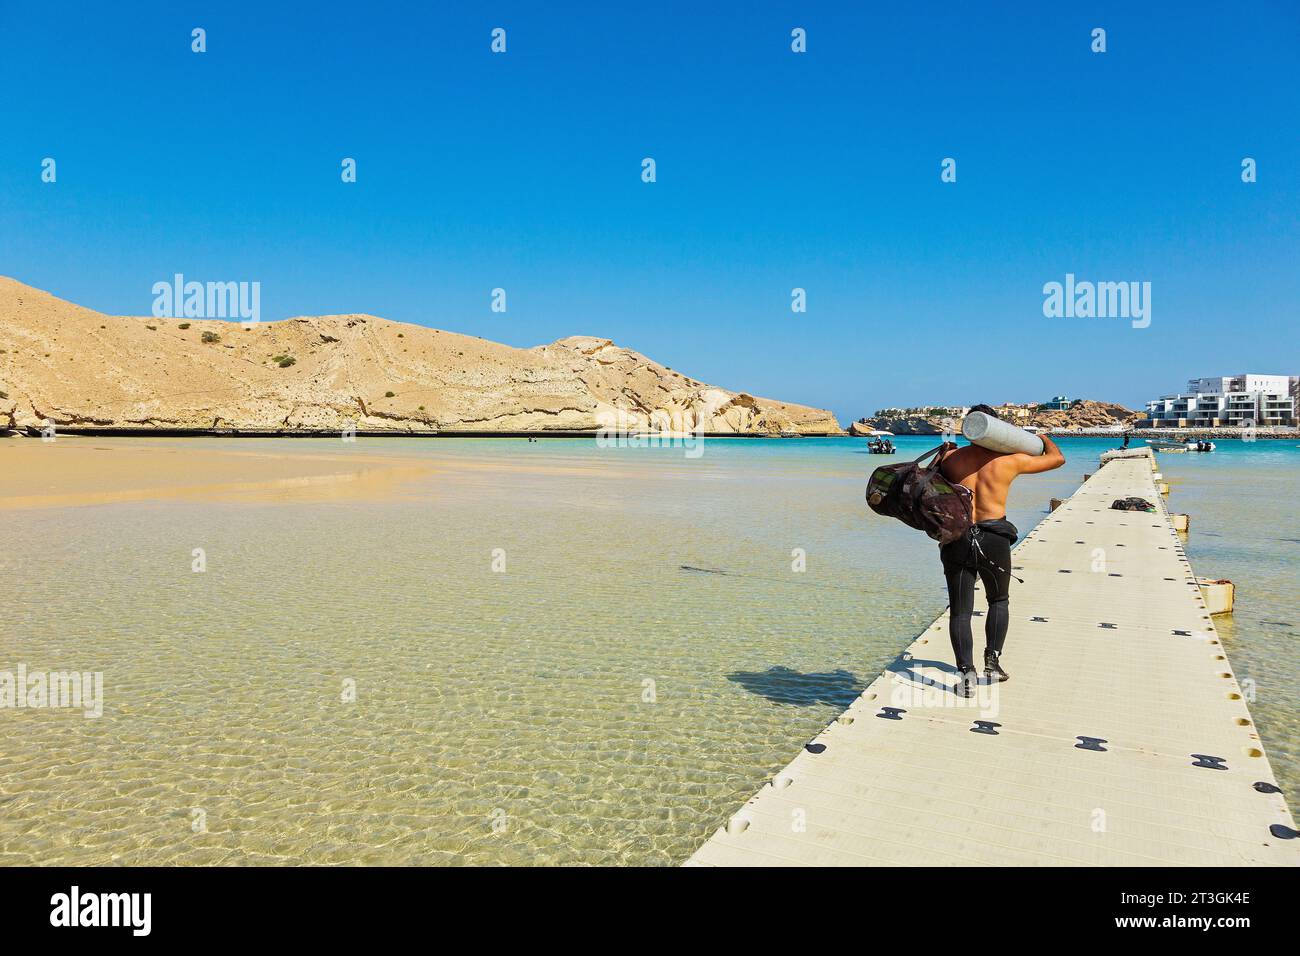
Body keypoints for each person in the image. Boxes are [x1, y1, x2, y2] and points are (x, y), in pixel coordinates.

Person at [936, 405, 1066, 697]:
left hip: (957, 537)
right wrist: (1042, 437)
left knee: (960, 611)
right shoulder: (1010, 461)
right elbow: (1057, 458)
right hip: (994, 538)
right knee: (999, 600)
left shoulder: (951, 459)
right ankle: (992, 663)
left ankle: (966, 674)